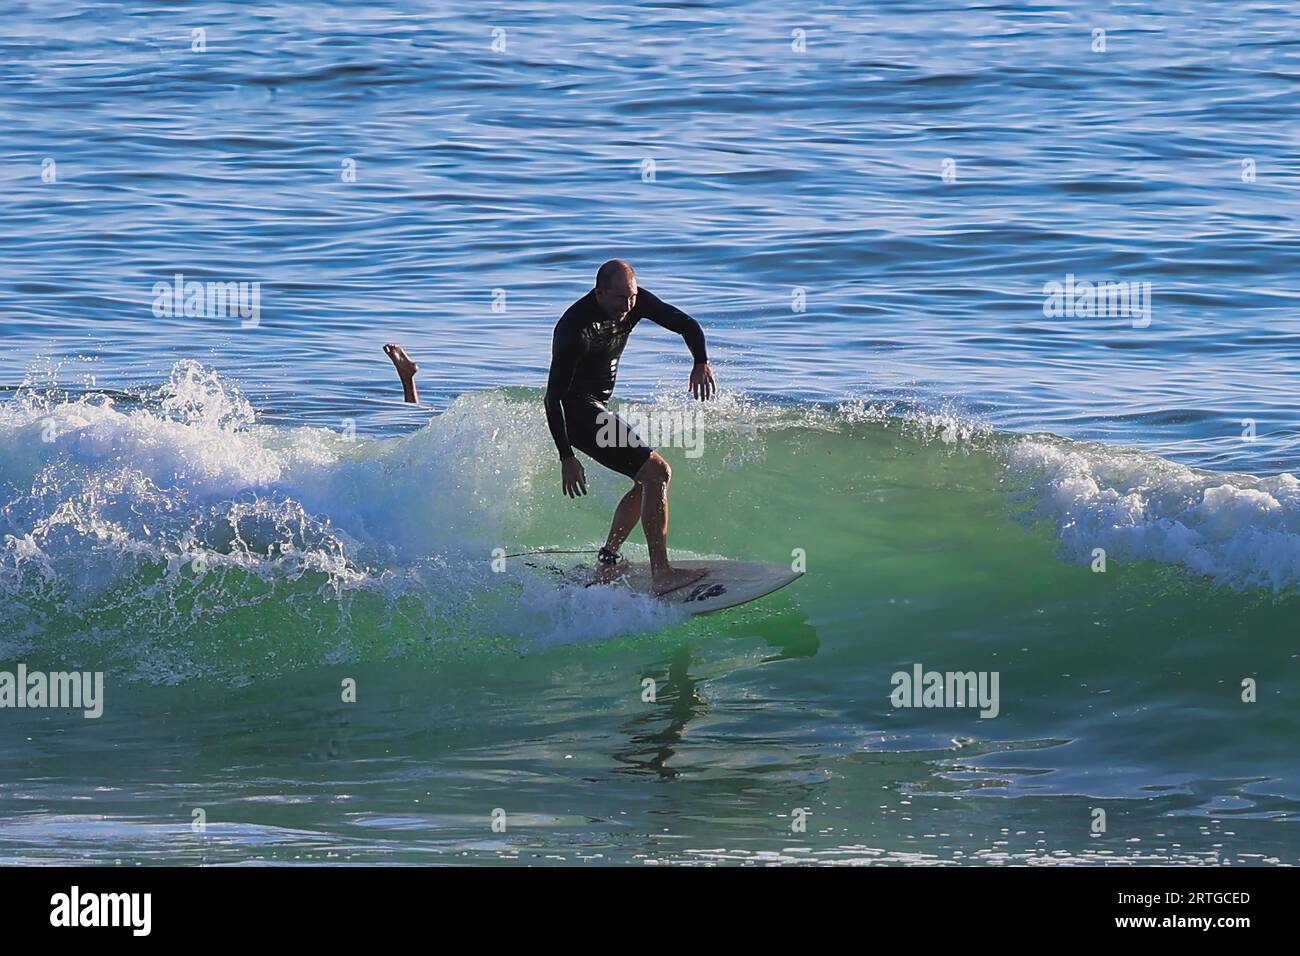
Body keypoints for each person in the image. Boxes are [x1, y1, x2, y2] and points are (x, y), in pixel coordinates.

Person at [383, 258, 717, 596]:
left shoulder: (635, 301)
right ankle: (661, 574)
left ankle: (608, 559)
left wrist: (700, 361)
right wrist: (566, 457)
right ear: (600, 293)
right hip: (574, 412)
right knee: (656, 473)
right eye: (620, 299)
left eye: (632, 297)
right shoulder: (574, 328)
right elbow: (552, 398)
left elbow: (686, 324)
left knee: (647, 480)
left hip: (596, 407)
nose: (628, 306)